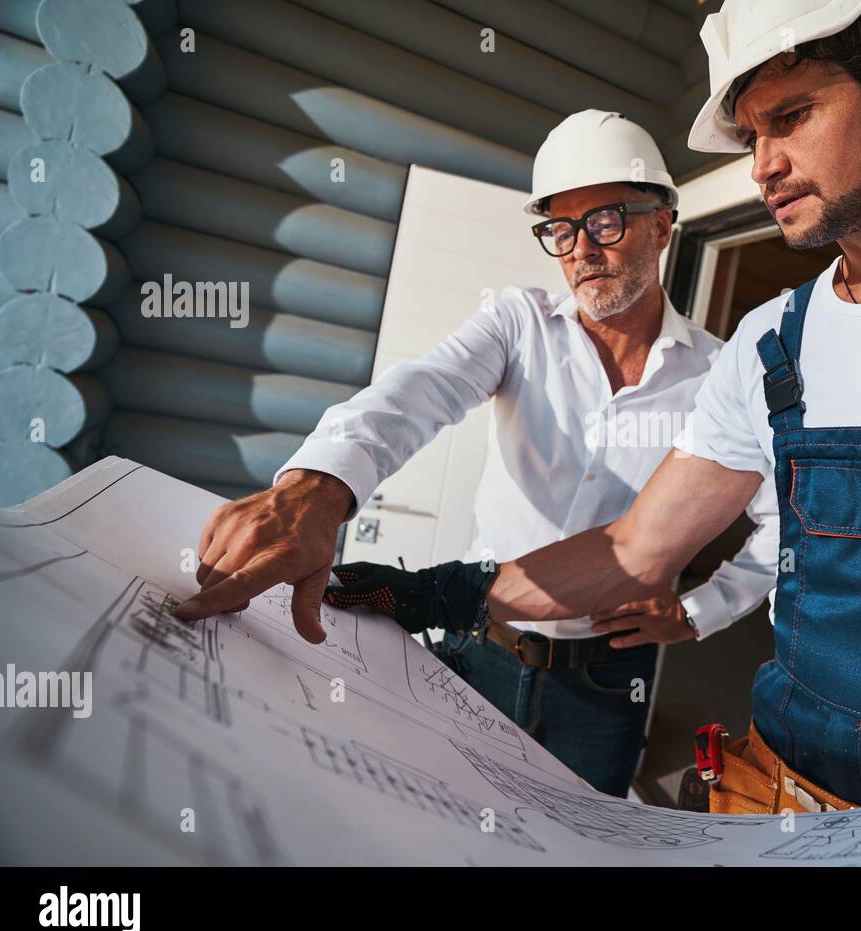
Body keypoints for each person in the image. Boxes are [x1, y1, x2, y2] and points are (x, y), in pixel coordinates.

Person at [178, 0, 861, 862]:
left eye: (791, 117)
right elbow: (627, 551)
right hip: (775, 811)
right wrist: (427, 584)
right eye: (751, 132)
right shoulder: (774, 340)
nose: (758, 166)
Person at [174, 109, 779, 797]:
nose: (581, 248)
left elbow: (782, 519)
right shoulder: (517, 324)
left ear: (663, 224)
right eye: (560, 228)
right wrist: (315, 486)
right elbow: (418, 392)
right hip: (478, 647)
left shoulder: (719, 374)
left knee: (578, 845)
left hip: (610, 681)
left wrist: (701, 611)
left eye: (605, 221)